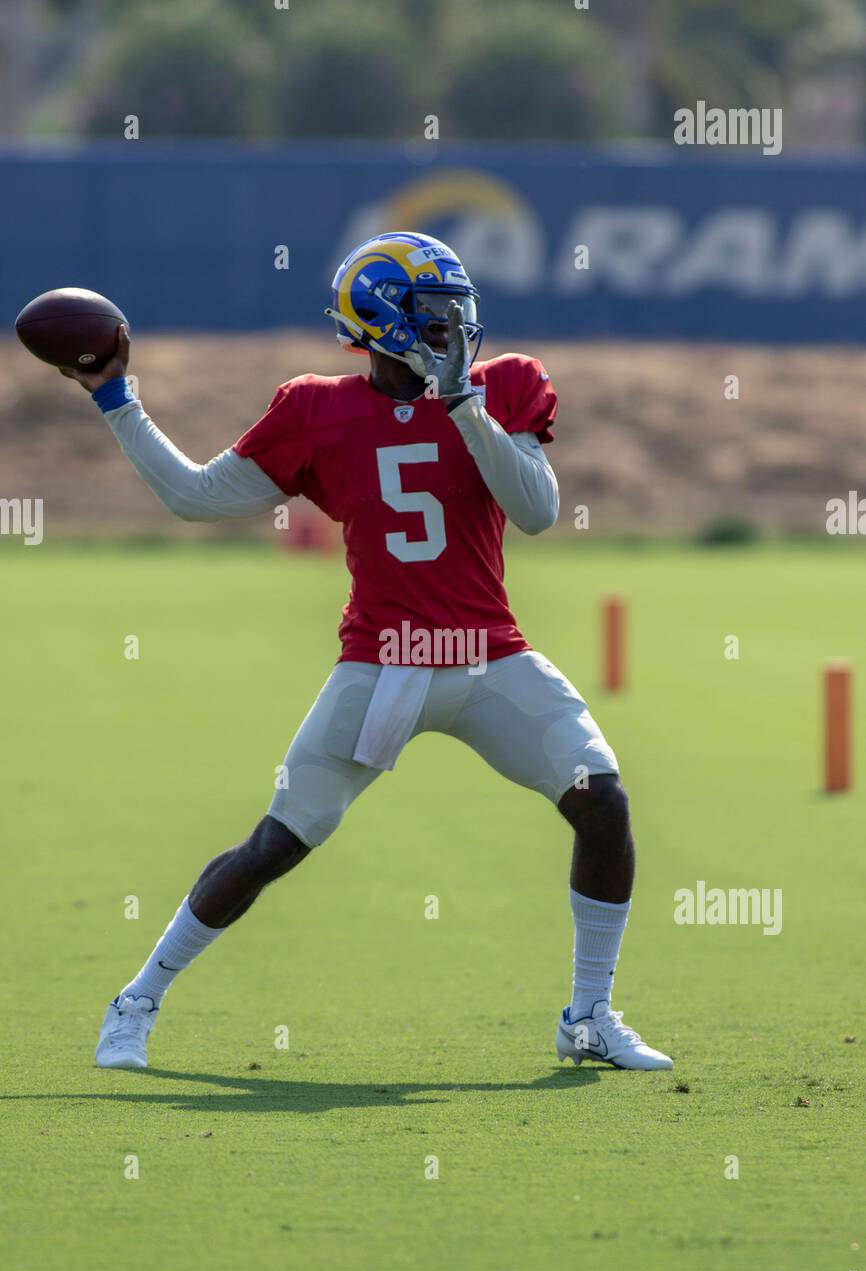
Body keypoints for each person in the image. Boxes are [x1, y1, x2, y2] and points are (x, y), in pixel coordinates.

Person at [61, 231, 671, 1073]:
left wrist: (464, 404)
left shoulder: (502, 388)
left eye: (459, 314)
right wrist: (116, 397)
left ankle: (590, 1015)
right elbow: (195, 498)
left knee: (601, 799)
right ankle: (136, 1001)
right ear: (383, 320)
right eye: (435, 316)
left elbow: (535, 510)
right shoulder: (316, 411)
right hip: (383, 665)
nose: (457, 332)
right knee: (278, 843)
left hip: (488, 655)